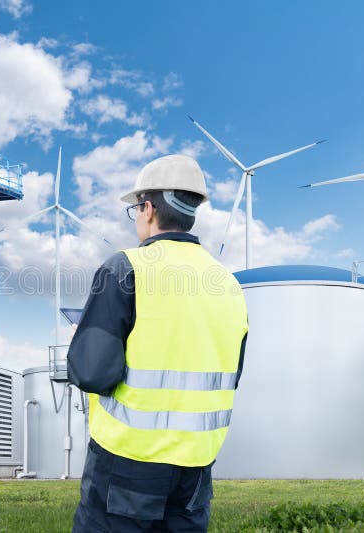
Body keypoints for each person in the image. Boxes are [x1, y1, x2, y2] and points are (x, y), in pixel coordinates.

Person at [67, 154, 249, 532]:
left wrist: (82, 339)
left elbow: (92, 373)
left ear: (148, 208)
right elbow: (232, 372)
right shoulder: (228, 284)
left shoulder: (124, 268)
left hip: (126, 461)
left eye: (135, 208)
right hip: (196, 467)